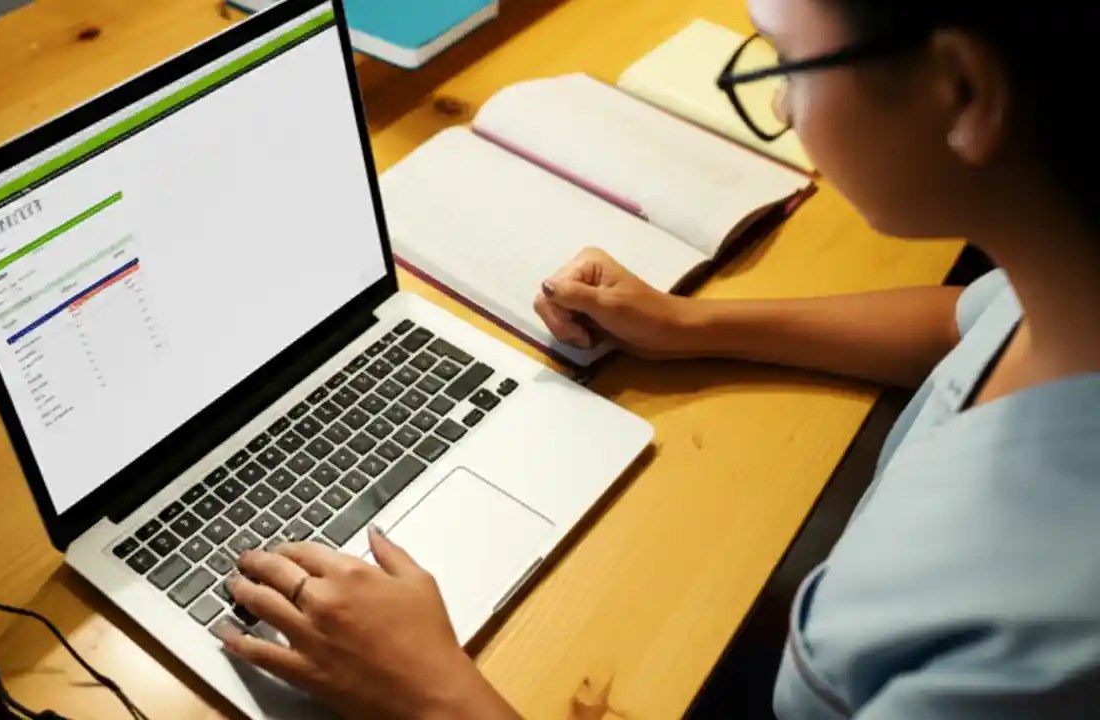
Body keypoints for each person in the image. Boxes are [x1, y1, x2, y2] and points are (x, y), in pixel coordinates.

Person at [219, 0, 1100, 716]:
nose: (782, 110)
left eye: (785, 61)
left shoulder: (1032, 640)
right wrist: (691, 325)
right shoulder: (1066, 282)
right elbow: (969, 318)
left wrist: (432, 696)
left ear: (962, 93)